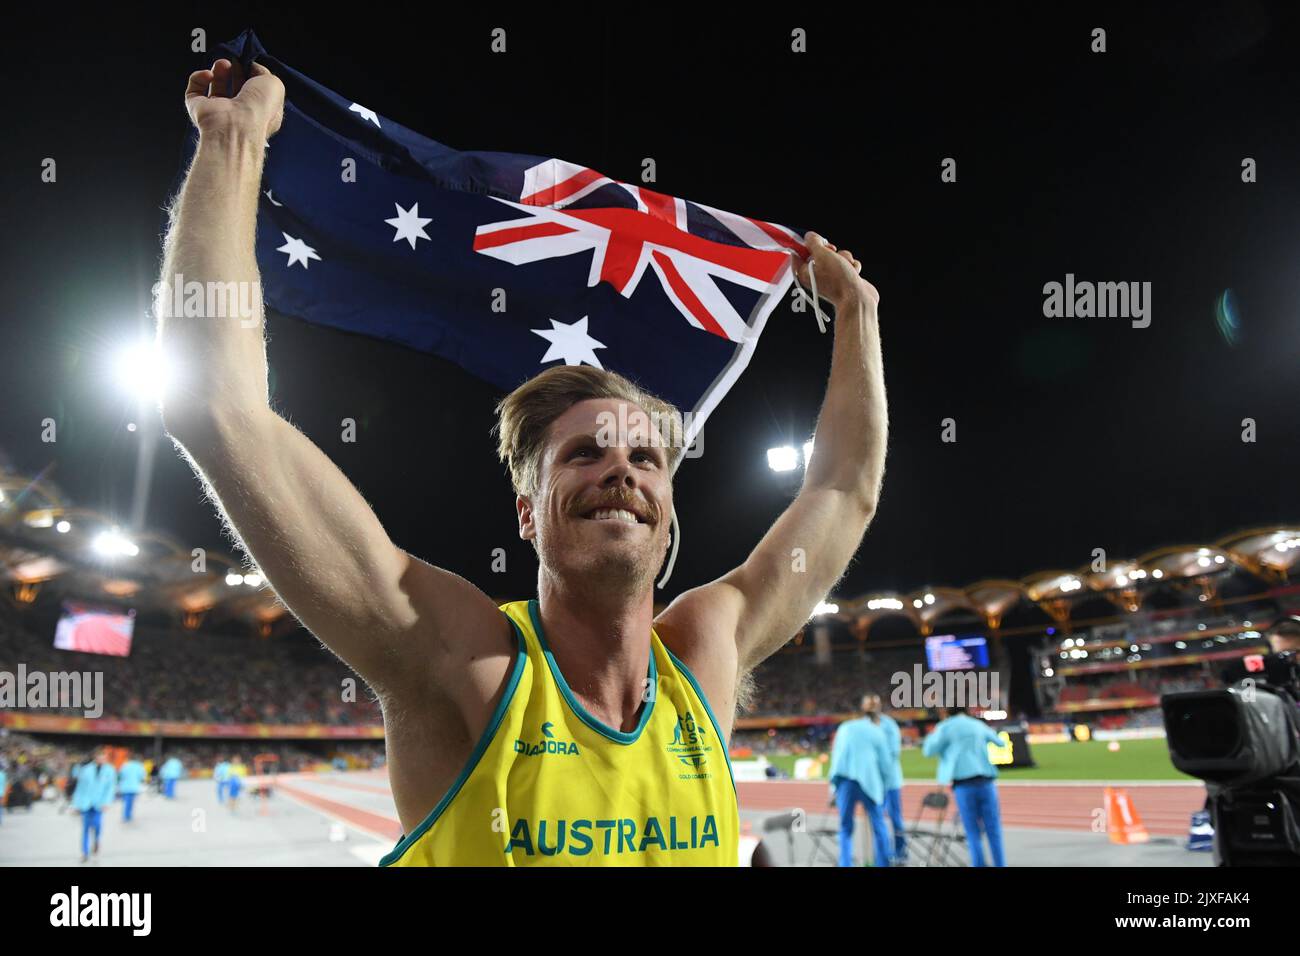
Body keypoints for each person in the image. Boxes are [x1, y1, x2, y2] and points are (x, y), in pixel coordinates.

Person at [156, 57, 888, 866]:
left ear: (669, 505)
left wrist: (857, 312)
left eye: (645, 454)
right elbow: (217, 409)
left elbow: (843, 490)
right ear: (527, 512)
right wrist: (234, 142)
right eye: (584, 453)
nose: (622, 469)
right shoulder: (461, 662)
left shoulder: (705, 659)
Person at [922, 706, 1008, 867]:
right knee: (994, 831)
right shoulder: (976, 724)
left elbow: (928, 751)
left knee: (973, 833)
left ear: (946, 711)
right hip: (986, 782)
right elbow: (1000, 742)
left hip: (964, 786)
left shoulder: (945, 727)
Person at [828, 705, 893, 866]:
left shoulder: (845, 727)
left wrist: (833, 787)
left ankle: (845, 864)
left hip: (845, 781)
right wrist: (884, 788)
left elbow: (837, 757)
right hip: (869, 782)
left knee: (845, 828)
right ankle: (883, 863)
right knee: (879, 825)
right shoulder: (876, 730)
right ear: (875, 719)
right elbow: (886, 764)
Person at [865, 694, 907, 863]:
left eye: (875, 704)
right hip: (874, 783)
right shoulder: (865, 726)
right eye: (870, 705)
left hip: (890, 782)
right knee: (877, 820)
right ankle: (881, 856)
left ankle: (900, 852)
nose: (872, 707)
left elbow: (894, 752)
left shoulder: (889, 725)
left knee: (896, 819)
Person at [71, 748, 117, 863]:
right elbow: (80, 788)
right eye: (99, 757)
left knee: (97, 826)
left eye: (104, 758)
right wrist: (76, 804)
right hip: (86, 803)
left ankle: (96, 842)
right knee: (85, 828)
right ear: (95, 758)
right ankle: (85, 853)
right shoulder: (86, 770)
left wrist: (106, 802)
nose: (101, 759)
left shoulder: (110, 770)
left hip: (99, 804)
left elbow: (110, 788)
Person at [117, 752, 147, 823]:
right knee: (131, 801)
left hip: (125, 786)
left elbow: (120, 775)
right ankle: (128, 815)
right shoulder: (139, 766)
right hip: (134, 787)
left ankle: (126, 815)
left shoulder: (125, 765)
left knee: (127, 801)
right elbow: (142, 776)